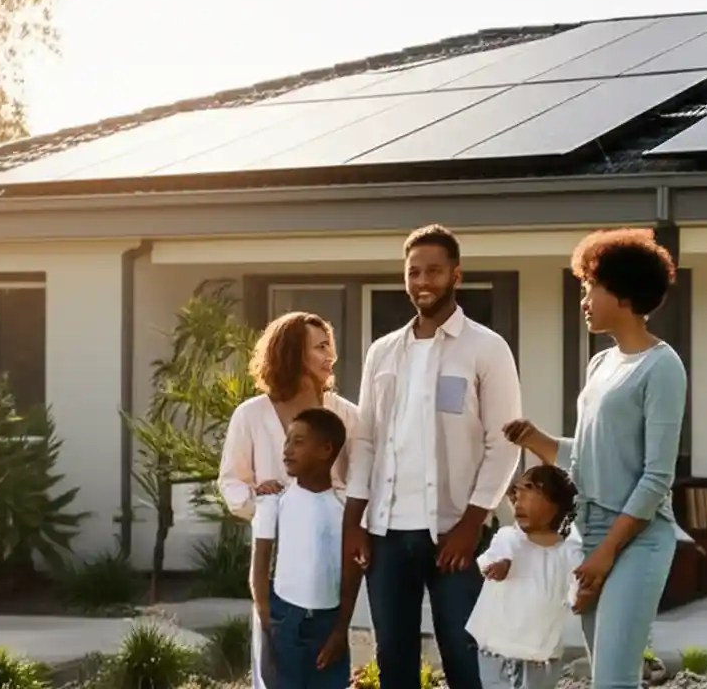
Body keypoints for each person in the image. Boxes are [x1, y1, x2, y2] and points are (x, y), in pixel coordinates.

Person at [502, 228, 687, 689]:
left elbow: (656, 478)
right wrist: (536, 439)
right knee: (600, 670)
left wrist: (606, 553)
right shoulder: (600, 364)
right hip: (591, 534)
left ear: (623, 294)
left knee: (614, 679)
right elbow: (585, 458)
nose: (583, 299)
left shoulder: (662, 368)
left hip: (637, 539)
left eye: (590, 288)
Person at [343, 224, 523, 689]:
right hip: (385, 534)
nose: (423, 281)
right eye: (414, 272)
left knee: (464, 659)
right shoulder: (381, 352)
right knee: (394, 661)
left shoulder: (486, 348)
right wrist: (355, 522)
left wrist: (472, 523)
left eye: (434, 271)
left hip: (453, 534)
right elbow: (365, 440)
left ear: (456, 275)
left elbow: (503, 442)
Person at [218, 311, 359, 689]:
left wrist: (330, 502)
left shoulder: (347, 415)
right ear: (292, 353)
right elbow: (231, 482)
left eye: (331, 345)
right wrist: (260, 500)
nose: (331, 354)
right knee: (276, 671)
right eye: (321, 346)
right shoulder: (250, 415)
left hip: (332, 563)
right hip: (277, 563)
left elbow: (364, 481)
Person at [251, 407, 363, 689]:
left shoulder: (345, 510)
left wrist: (340, 629)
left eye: (298, 442)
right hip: (283, 621)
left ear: (326, 450)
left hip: (328, 625)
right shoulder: (275, 500)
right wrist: (267, 620)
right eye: (287, 441)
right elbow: (260, 562)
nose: (287, 450)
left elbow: (352, 574)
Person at [466, 465, 583, 689]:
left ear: (556, 504)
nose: (519, 503)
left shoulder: (570, 552)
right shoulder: (508, 539)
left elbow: (577, 593)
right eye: (518, 496)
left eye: (531, 494)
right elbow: (485, 565)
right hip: (497, 651)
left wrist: (582, 595)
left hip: (541, 656)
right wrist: (499, 566)